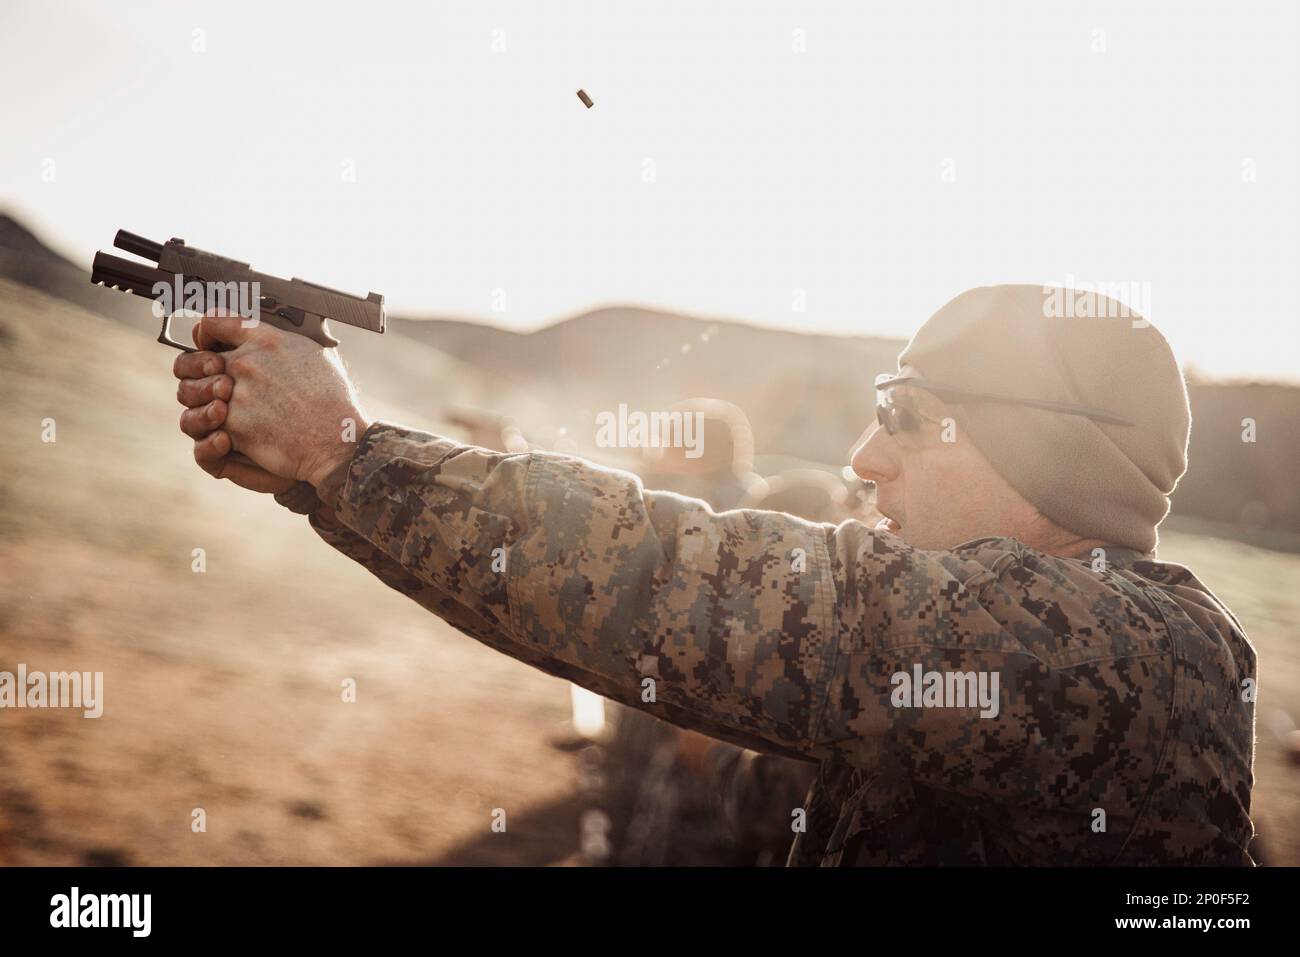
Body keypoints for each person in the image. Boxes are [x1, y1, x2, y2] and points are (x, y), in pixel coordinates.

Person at [172, 284, 1257, 865]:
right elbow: (651, 651)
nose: (866, 458)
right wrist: (328, 486)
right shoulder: (963, 668)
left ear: (1051, 456)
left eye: (914, 421)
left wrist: (346, 452)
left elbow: (674, 583)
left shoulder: (1124, 649)